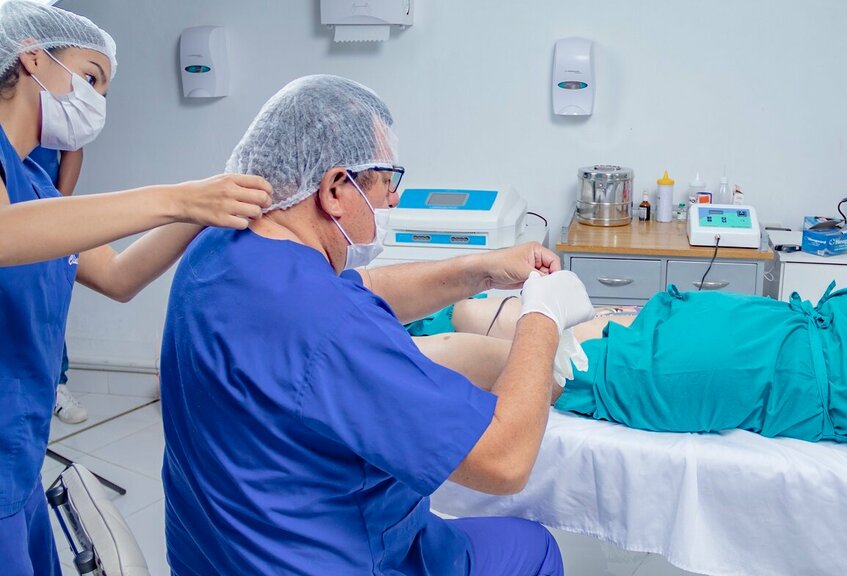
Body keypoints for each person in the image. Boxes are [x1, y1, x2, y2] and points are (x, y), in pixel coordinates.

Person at [159, 74, 594, 576]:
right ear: (336, 189)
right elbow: (505, 461)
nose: (392, 200)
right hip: (329, 560)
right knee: (531, 548)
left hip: (217, 555)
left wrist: (483, 269)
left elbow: (353, 288)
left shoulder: (218, 251)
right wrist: (542, 313)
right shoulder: (332, 326)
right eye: (388, 181)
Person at [0, 3, 273, 574]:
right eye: (90, 76)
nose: (96, 100)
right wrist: (177, 197)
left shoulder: (35, 183)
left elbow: (120, 277)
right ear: (31, 55)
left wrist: (207, 209)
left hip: (17, 455)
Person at [414, 279, 847, 491]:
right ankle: (393, 354)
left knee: (567, 331)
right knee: (545, 367)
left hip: (747, 328)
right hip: (739, 370)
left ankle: (423, 321)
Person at [29, 145, 87, 424]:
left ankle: (54, 383)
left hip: (42, 212)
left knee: (45, 300)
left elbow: (117, 277)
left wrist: (59, 208)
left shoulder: (50, 111)